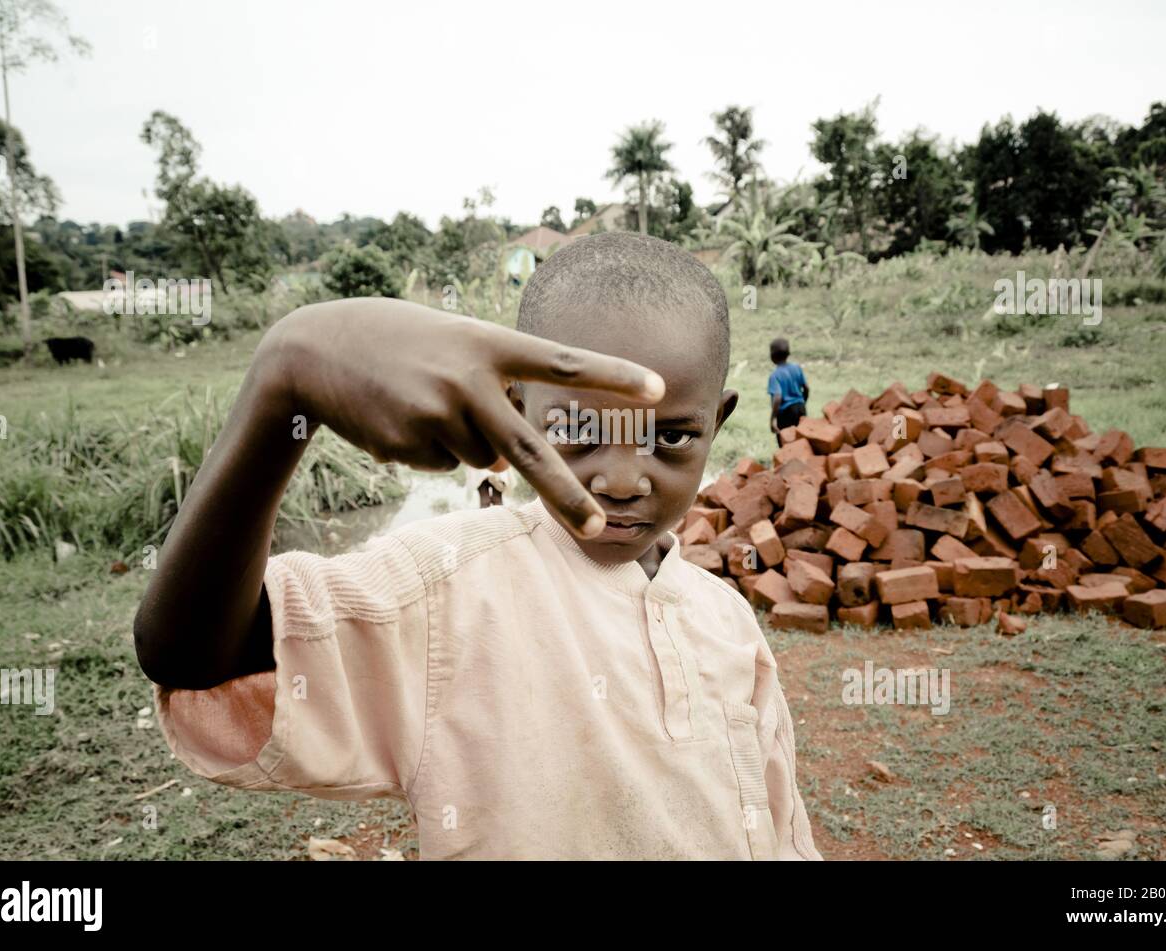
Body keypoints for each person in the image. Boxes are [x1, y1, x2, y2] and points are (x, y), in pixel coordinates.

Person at [134, 232, 820, 861]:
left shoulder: (726, 620)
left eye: (670, 437)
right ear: (515, 406)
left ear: (718, 421)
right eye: (579, 427)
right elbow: (191, 657)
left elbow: (782, 830)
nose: (620, 477)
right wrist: (287, 376)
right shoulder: (449, 590)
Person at [766, 337, 809, 446]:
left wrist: (773, 418)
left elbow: (777, 398)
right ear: (788, 354)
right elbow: (806, 388)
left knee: (786, 443)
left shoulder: (775, 376)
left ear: (772, 357)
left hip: (786, 413)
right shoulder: (796, 368)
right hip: (801, 408)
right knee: (802, 439)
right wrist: (803, 402)